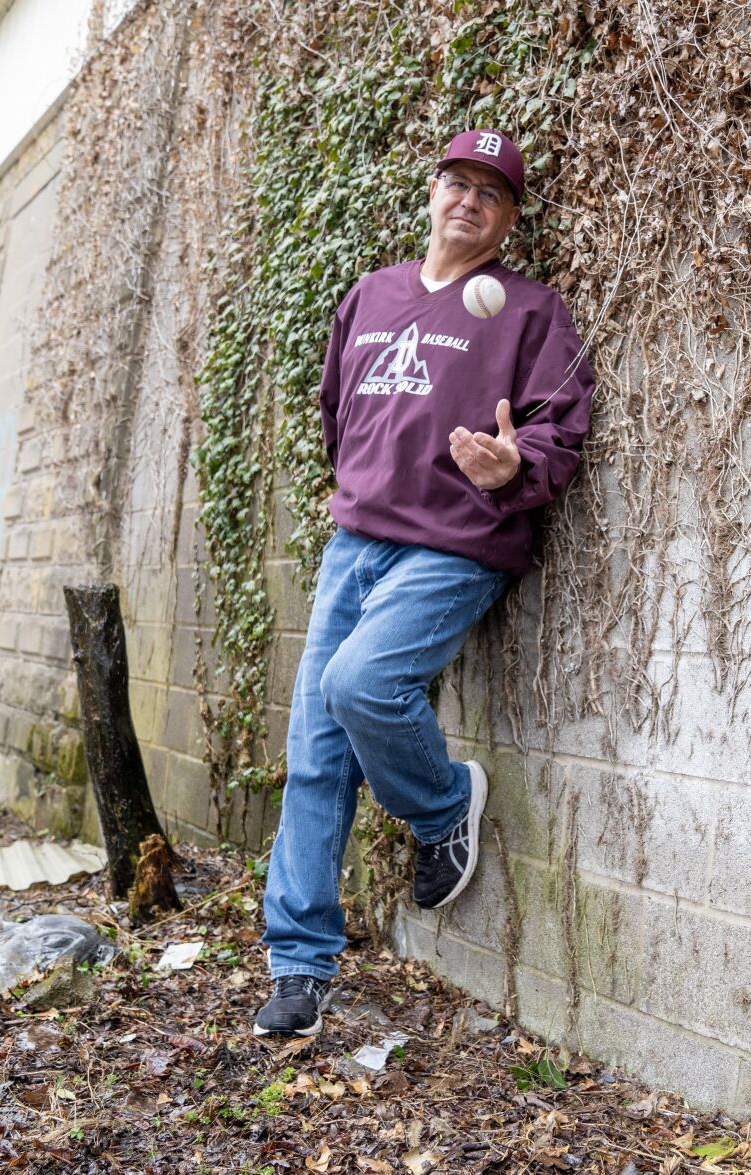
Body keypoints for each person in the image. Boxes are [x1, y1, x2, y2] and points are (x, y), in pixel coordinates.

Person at [252, 129, 594, 1037]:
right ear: (433, 193)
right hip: (354, 540)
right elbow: (336, 411)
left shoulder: (529, 312)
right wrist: (360, 484)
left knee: (359, 683)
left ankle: (442, 804)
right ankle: (298, 965)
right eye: (457, 183)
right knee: (315, 751)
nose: (469, 201)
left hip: (456, 543)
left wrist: (512, 469)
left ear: (509, 219)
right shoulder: (369, 295)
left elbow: (559, 427)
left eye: (491, 193)